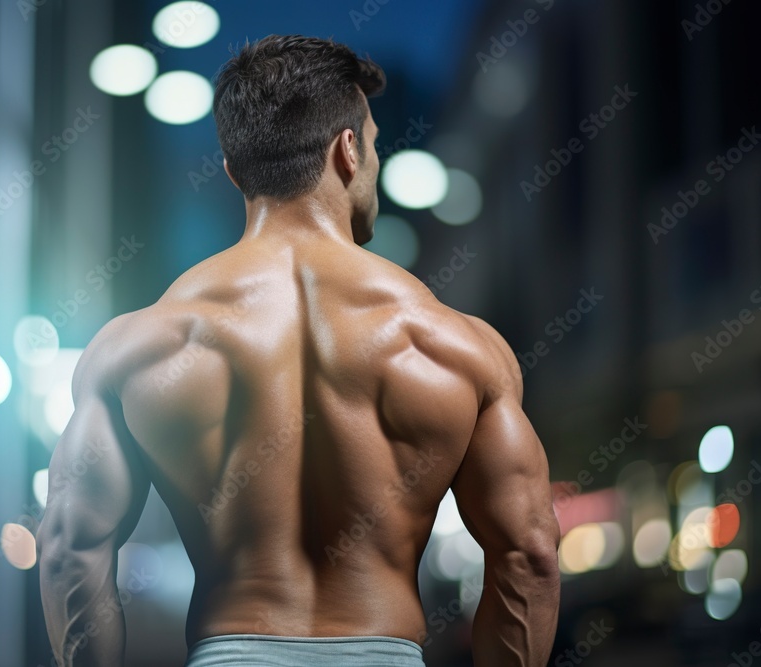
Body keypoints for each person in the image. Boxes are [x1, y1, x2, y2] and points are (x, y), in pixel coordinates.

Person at [37, 34, 560, 667]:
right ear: (348, 150)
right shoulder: (452, 345)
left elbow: (69, 549)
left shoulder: (143, 347)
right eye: (372, 146)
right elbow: (528, 554)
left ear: (234, 172)